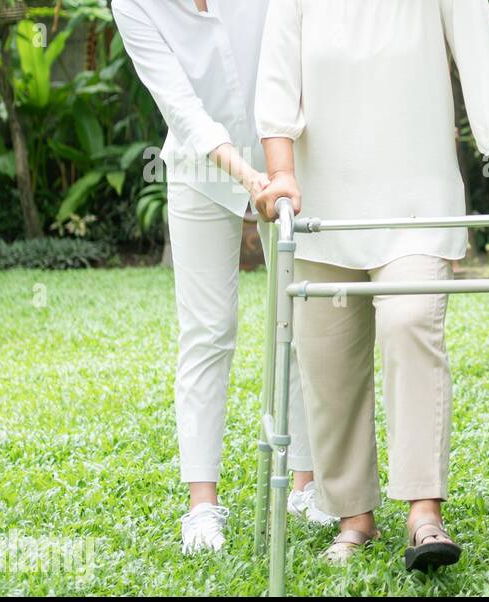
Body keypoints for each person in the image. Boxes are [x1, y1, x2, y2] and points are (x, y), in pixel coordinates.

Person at [253, 0, 489, 570]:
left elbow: (482, 58)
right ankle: (354, 516)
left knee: (410, 320)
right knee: (329, 362)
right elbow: (276, 82)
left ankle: (424, 512)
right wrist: (283, 174)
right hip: (322, 204)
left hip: (417, 202)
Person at [112, 0, 335, 554]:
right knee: (207, 331)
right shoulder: (132, 4)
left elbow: (297, 52)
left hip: (290, 157)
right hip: (198, 168)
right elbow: (182, 108)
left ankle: (303, 484)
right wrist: (246, 175)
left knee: (302, 317)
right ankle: (202, 505)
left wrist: (275, 171)